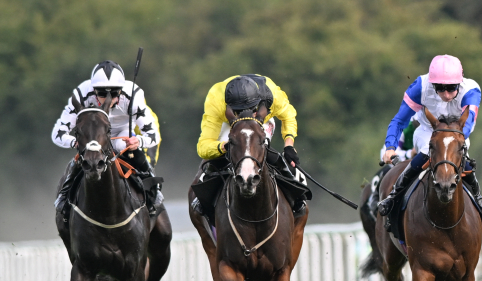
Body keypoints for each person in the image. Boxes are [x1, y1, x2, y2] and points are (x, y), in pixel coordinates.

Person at [377, 55, 482, 243]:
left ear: (459, 83)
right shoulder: (419, 87)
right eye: (440, 88)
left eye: (451, 88)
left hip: (457, 133)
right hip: (428, 131)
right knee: (424, 154)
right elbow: (399, 120)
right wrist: (390, 146)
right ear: (432, 83)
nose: (446, 94)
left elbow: (468, 123)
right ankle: (394, 196)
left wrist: (452, 140)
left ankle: (478, 199)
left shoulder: (471, 90)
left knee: (462, 159)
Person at [52, 61, 164, 242]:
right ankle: (64, 197)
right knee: (84, 157)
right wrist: (75, 142)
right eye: (102, 93)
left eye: (114, 93)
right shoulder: (81, 94)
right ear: (93, 90)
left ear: (122, 90)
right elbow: (57, 133)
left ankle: (153, 193)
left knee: (125, 148)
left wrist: (139, 140)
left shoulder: (133, 94)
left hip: (121, 133)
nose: (109, 99)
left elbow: (153, 134)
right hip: (94, 136)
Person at [189, 74, 311, 222]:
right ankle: (204, 198)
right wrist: (225, 146)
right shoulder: (216, 100)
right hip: (229, 125)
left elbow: (289, 116)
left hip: (262, 121)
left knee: (261, 148)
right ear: (229, 107)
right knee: (219, 158)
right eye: (239, 111)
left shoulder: (272, 94)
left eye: (250, 110)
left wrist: (289, 145)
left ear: (259, 103)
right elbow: (203, 146)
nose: (246, 115)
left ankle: (297, 196)